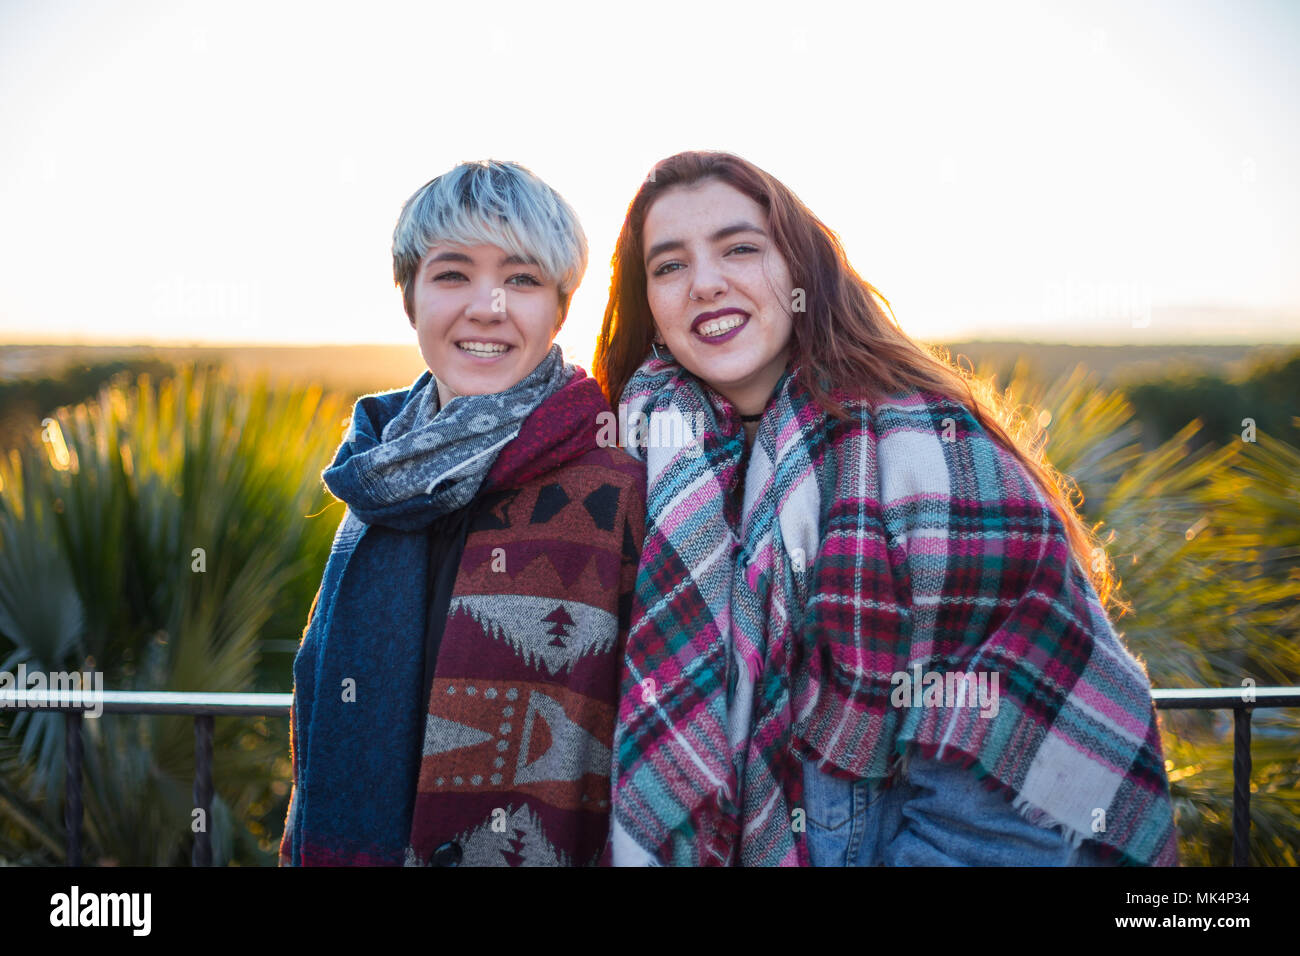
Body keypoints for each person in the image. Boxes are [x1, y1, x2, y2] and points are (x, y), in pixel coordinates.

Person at [594, 150, 1178, 867]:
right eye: (669, 265)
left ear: (801, 268)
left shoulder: (934, 458)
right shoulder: (632, 464)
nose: (706, 284)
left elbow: (993, 826)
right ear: (647, 302)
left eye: (740, 248)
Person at [280, 160, 645, 867]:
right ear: (410, 298)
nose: (489, 306)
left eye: (522, 279)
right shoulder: (378, 481)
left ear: (561, 307)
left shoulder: (616, 491)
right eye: (452, 274)